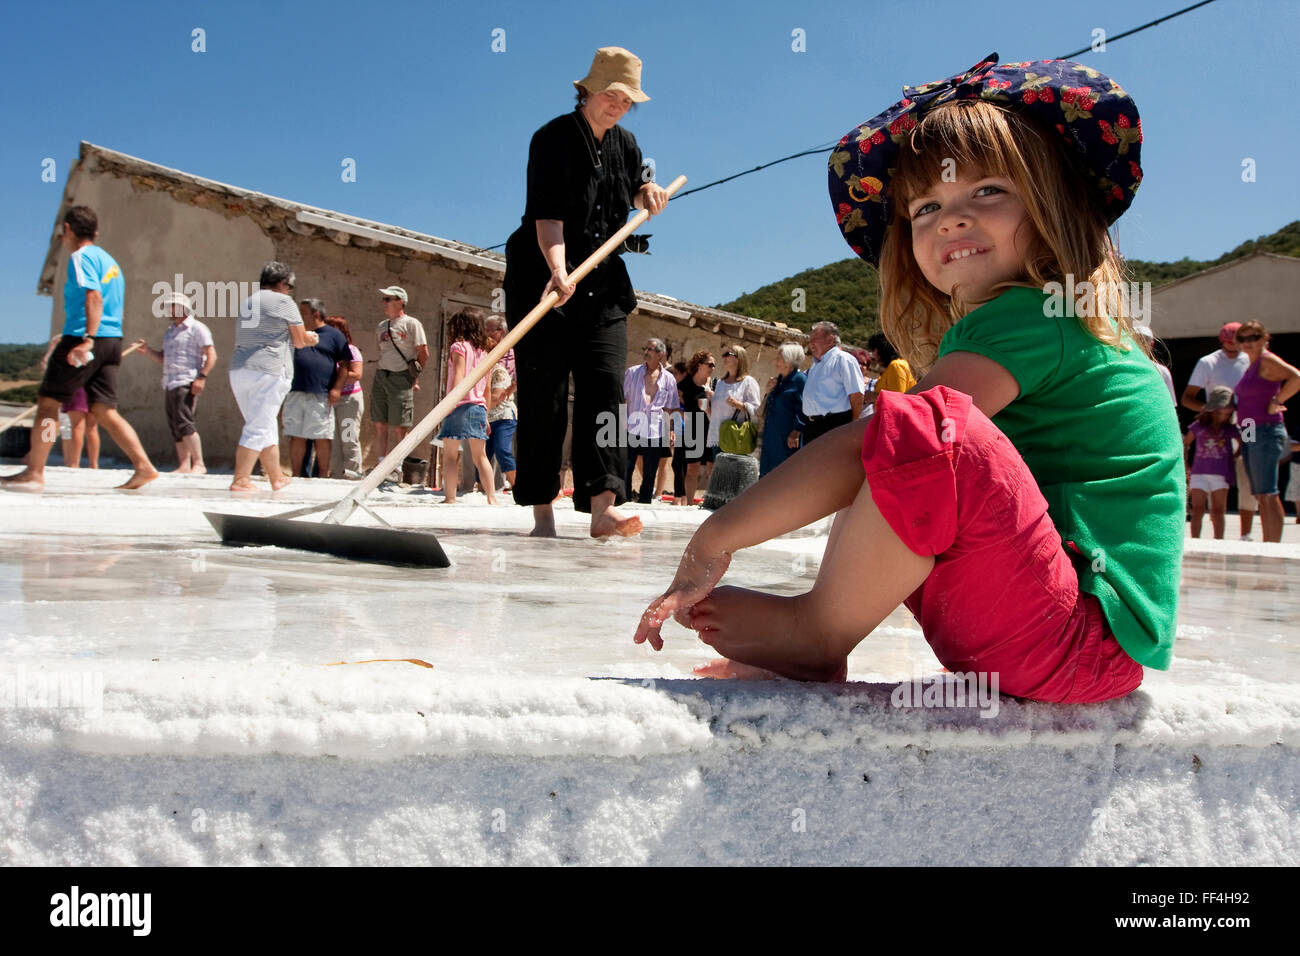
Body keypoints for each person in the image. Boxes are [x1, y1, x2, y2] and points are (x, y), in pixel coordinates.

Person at [635, 54, 1183, 704]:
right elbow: (882, 458)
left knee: (925, 430)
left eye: (988, 191)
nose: (951, 216)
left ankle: (817, 633)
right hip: (1045, 632)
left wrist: (715, 537)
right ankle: (818, 629)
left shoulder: (1035, 313)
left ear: (1051, 203)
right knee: (906, 434)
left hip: (1077, 642)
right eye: (925, 205)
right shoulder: (1036, 321)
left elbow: (903, 442)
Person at [502, 46, 669, 538]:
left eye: (627, 97)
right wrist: (558, 270)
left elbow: (635, 188)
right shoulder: (552, 139)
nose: (618, 103)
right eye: (612, 93)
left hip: (603, 284)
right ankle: (541, 512)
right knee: (545, 395)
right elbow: (546, 217)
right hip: (543, 277)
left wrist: (648, 194)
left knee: (604, 391)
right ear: (589, 89)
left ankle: (602, 507)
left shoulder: (628, 143)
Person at [2, 205, 157, 491]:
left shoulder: (80, 257)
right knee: (104, 410)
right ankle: (144, 466)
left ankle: (34, 472)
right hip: (112, 340)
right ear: (96, 232)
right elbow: (114, 305)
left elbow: (94, 297)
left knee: (48, 403)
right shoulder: (111, 262)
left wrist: (87, 337)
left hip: (85, 338)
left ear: (67, 229)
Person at [227, 261, 318, 492]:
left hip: (240, 370)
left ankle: (276, 477)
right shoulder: (284, 301)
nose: (290, 291)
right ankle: (241, 480)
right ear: (281, 283)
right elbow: (298, 341)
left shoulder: (249, 301)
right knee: (258, 427)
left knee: (264, 425)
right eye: (290, 286)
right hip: (268, 370)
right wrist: (310, 338)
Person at [1182, 322, 1256, 538]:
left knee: (1247, 479)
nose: (1237, 346)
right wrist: (1210, 413)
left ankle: (1246, 535)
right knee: (1208, 500)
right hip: (1215, 427)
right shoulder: (1208, 362)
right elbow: (1187, 398)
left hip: (1245, 423)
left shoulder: (1252, 361)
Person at [1232, 320, 1300, 543]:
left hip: (1266, 429)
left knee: (1268, 492)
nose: (1247, 343)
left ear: (1264, 339)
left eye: (1253, 338)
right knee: (1259, 492)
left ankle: (1273, 545)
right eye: (1242, 339)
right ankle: (1268, 542)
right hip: (1250, 429)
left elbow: (1297, 377)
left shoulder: (1267, 360)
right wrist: (1244, 440)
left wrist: (1278, 400)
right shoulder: (1250, 364)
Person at [133, 291, 216, 473]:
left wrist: (202, 377)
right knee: (175, 425)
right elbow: (163, 357)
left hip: (187, 381)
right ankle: (184, 465)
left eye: (173, 306)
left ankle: (199, 464)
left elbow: (211, 355)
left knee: (185, 422)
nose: (170, 310)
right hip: (170, 382)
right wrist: (147, 350)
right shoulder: (170, 331)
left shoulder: (197, 328)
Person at [436, 308, 499, 505]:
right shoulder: (485, 352)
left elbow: (459, 376)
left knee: (449, 456)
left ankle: (450, 497)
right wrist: (486, 415)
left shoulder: (459, 347)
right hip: (479, 407)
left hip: (459, 404)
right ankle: (491, 497)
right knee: (480, 456)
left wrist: (449, 404)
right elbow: (487, 387)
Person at [284, 298, 350, 478]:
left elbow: (345, 365)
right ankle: (296, 475)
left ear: (316, 314)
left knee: (321, 436)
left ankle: (322, 476)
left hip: (321, 393)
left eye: (303, 312)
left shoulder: (334, 335)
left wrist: (336, 388)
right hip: (295, 390)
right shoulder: (296, 333)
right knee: (296, 434)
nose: (299, 316)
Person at [372, 287, 428, 469]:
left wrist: (414, 376)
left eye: (388, 299)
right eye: (383, 299)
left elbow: (423, 352)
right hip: (382, 375)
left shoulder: (412, 324)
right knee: (380, 422)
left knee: (400, 425)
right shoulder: (381, 326)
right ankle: (381, 463)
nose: (384, 303)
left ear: (400, 301)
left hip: (401, 377)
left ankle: (397, 466)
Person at [623, 337, 680, 504]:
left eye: (650, 350)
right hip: (631, 427)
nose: (646, 352)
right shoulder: (632, 373)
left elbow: (670, 407)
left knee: (650, 471)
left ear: (660, 355)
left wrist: (670, 430)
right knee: (626, 468)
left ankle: (645, 501)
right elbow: (622, 400)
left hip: (655, 429)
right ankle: (624, 501)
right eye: (645, 349)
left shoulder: (669, 379)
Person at [1183, 387, 1240, 539]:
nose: (1224, 415)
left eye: (1228, 412)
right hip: (1199, 473)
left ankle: (1219, 541)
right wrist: (1186, 464)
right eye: (1221, 411)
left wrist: (1236, 455)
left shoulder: (1230, 428)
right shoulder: (1198, 426)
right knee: (1198, 510)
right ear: (1212, 409)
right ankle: (1195, 540)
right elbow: (1185, 443)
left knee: (1218, 511)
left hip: (1221, 474)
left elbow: (1246, 441)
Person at [797, 321, 864, 447]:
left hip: (833, 425)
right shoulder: (816, 366)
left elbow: (856, 394)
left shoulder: (843, 359)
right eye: (810, 339)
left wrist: (852, 427)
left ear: (830, 339)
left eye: (815, 339)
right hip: (812, 426)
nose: (811, 343)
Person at [324, 316, 366, 480]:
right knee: (333, 440)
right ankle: (336, 474)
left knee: (348, 437)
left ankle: (352, 473)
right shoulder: (327, 351)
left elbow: (357, 374)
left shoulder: (351, 350)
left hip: (349, 399)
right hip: (331, 400)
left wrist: (335, 373)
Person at [672, 350, 714, 506]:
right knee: (692, 468)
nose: (713, 367)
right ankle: (689, 503)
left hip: (711, 428)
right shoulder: (685, 384)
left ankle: (710, 502)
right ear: (699, 365)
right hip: (692, 428)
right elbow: (675, 406)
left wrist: (711, 394)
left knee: (712, 467)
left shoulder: (714, 384)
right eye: (710, 364)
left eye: (714, 364)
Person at [705, 344, 760, 460]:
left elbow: (757, 410)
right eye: (723, 355)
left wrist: (739, 405)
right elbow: (716, 415)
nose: (723, 358)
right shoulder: (720, 383)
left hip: (735, 437)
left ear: (738, 358)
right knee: (719, 476)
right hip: (718, 437)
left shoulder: (748, 382)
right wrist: (707, 407)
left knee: (732, 476)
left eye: (727, 354)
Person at [759, 342, 806, 477]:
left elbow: (804, 408)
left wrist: (796, 431)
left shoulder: (799, 380)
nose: (776, 361)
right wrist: (768, 391)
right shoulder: (778, 381)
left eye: (779, 358)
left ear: (789, 360)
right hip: (771, 436)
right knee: (766, 476)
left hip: (787, 438)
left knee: (782, 475)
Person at [484, 315, 517, 491]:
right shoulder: (485, 354)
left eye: (491, 330)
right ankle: (484, 487)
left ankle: (516, 484)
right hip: (488, 408)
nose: (487, 334)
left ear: (502, 331)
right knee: (485, 451)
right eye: (486, 330)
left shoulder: (511, 354)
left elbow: (517, 379)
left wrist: (507, 392)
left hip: (503, 408)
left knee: (502, 449)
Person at [867, 330, 916, 395]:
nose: (873, 354)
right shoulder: (892, 367)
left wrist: (872, 397)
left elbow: (897, 398)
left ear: (878, 350)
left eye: (873, 350)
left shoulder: (896, 366)